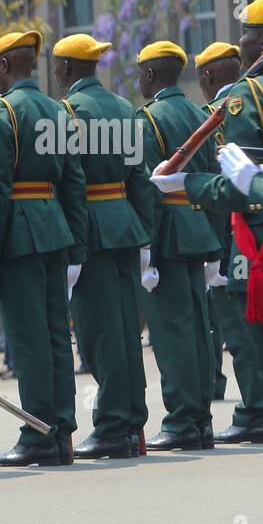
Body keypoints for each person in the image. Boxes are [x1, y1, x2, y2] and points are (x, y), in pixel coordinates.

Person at [157, 0, 263, 524]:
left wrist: (181, 187)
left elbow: (242, 188)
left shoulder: (247, 97)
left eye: (244, 36)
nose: (240, 46)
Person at [0, 31, 87, 466]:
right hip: (54, 228)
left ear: (3, 66)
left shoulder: (1, 112)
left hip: (20, 236)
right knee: (57, 333)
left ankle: (38, 431)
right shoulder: (58, 112)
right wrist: (76, 247)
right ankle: (61, 430)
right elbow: (73, 183)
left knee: (28, 339)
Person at [51, 34, 155, 459]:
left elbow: (70, 185)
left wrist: (72, 245)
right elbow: (140, 178)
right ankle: (132, 421)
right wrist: (144, 233)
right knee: (127, 327)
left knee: (97, 331)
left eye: (57, 65)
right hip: (124, 224)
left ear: (67, 68)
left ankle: (114, 424)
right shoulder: (123, 108)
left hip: (90, 228)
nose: (55, 72)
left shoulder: (69, 112)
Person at [135, 40, 220, 451]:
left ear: (150, 75)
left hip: (166, 232)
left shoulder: (149, 119)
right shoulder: (199, 114)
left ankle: (183, 419)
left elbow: (149, 189)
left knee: (171, 330)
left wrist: (145, 250)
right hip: (199, 227)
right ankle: (200, 418)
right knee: (197, 328)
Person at [195, 41, 263, 444]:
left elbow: (212, 184)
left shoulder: (215, 117)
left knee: (240, 333)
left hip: (232, 234)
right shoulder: (260, 99)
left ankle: (255, 411)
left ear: (208, 77)